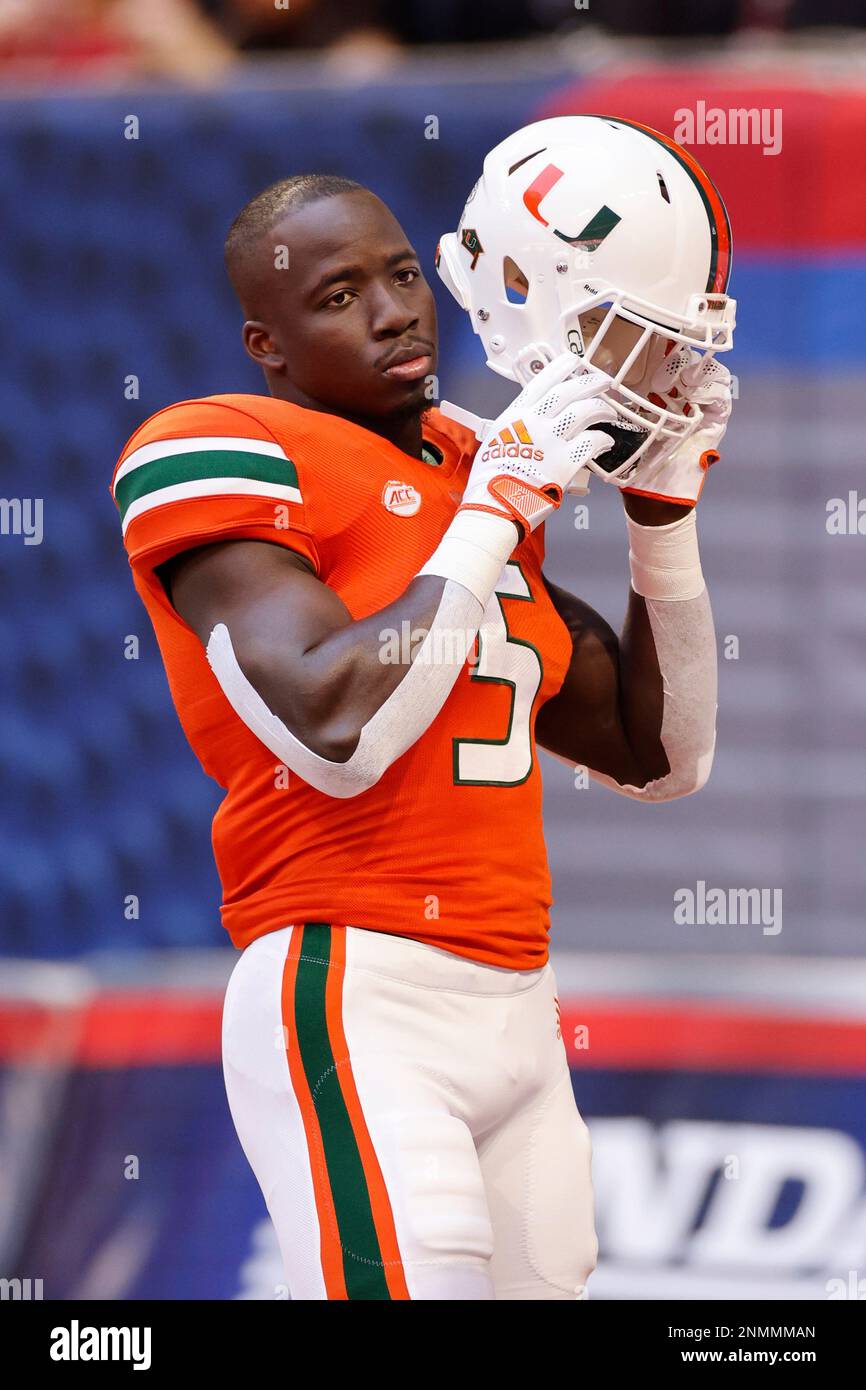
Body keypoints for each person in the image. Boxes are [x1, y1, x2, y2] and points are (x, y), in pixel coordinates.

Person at [110, 116, 735, 1299]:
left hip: (515, 999)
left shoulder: (471, 466)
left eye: (401, 273)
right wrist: (493, 506)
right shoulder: (217, 443)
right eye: (340, 294)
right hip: (356, 982)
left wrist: (661, 516)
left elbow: (662, 754)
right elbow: (336, 732)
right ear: (270, 346)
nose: (395, 310)